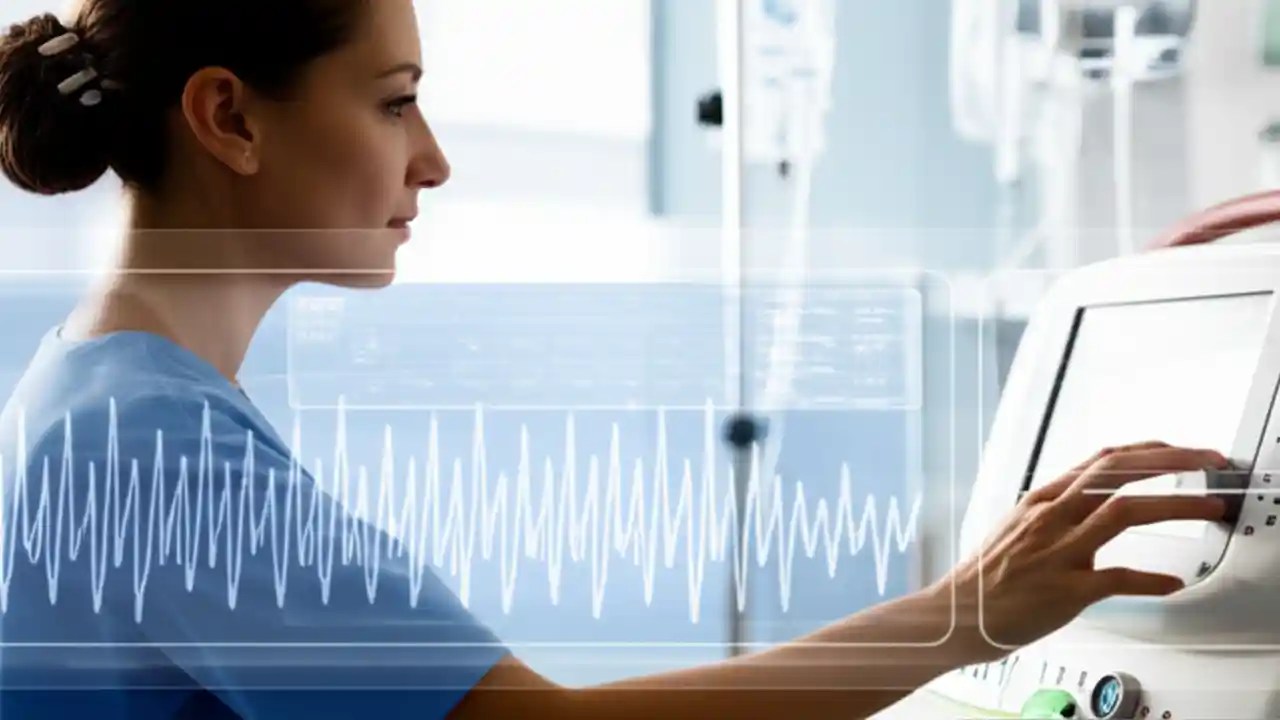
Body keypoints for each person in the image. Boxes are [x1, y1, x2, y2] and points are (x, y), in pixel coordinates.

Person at [0, 1, 1231, 718]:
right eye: (393, 101)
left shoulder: (95, 388)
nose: (431, 159)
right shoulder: (149, 442)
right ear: (229, 118)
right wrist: (962, 618)